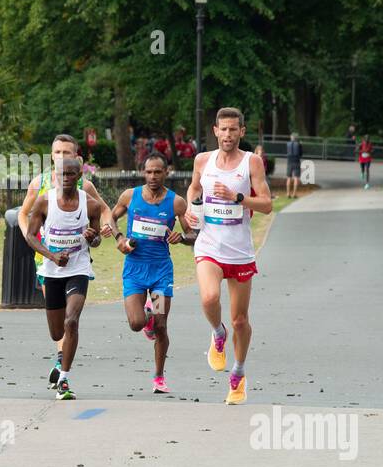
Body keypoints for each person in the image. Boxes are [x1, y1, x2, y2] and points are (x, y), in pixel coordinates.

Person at [184, 107, 273, 404]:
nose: (228, 135)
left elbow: (267, 205)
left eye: (233, 129)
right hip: (209, 245)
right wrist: (190, 209)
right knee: (209, 299)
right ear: (215, 130)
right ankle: (216, 333)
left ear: (242, 132)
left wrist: (237, 197)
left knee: (240, 320)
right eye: (223, 129)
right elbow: (194, 190)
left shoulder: (252, 162)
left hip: (240, 251)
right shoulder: (202, 160)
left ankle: (238, 373)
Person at [20, 134, 115, 384]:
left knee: (70, 318)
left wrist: (104, 230)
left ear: (77, 158)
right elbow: (23, 214)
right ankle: (61, 348)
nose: (62, 157)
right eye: (57, 152)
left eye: (67, 153)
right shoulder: (39, 184)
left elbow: (103, 210)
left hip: (77, 259)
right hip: (46, 255)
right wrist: (32, 239)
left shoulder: (86, 188)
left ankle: (62, 360)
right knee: (57, 323)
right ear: (51, 155)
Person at [110, 152, 192, 393]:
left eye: (158, 171)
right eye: (149, 172)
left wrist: (183, 237)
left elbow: (192, 233)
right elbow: (111, 219)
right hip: (135, 269)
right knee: (137, 323)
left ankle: (158, 377)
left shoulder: (176, 202)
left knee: (161, 324)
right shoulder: (130, 196)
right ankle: (145, 319)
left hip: (160, 272)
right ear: (143, 172)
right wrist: (120, 239)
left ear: (166, 173)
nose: (153, 176)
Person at [285, 132, 303, 198]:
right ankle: (294, 194)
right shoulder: (299, 144)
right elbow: (301, 154)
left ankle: (288, 193)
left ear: (291, 138)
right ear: (296, 138)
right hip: (296, 161)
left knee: (288, 178)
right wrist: (301, 145)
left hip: (289, 162)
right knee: (296, 178)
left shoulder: (287, 144)